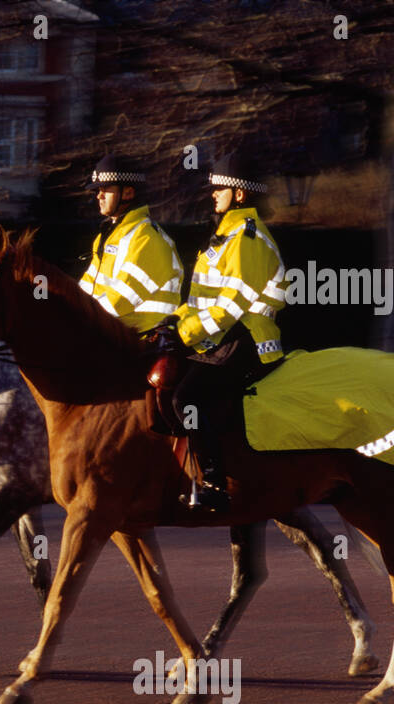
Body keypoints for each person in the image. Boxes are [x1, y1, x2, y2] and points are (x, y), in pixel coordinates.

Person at [155, 154, 287, 512]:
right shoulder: (223, 238)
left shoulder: (247, 238)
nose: (212, 193)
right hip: (223, 337)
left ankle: (214, 481)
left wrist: (184, 335)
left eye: (220, 188)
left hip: (251, 338)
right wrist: (172, 321)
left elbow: (230, 306)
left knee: (188, 398)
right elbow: (200, 300)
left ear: (240, 195)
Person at [79, 154, 185, 334]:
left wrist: (81, 319)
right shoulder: (108, 236)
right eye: (97, 191)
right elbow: (87, 287)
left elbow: (122, 299)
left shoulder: (147, 238)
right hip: (118, 333)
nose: (99, 196)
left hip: (147, 339)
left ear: (128, 193)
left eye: (106, 189)